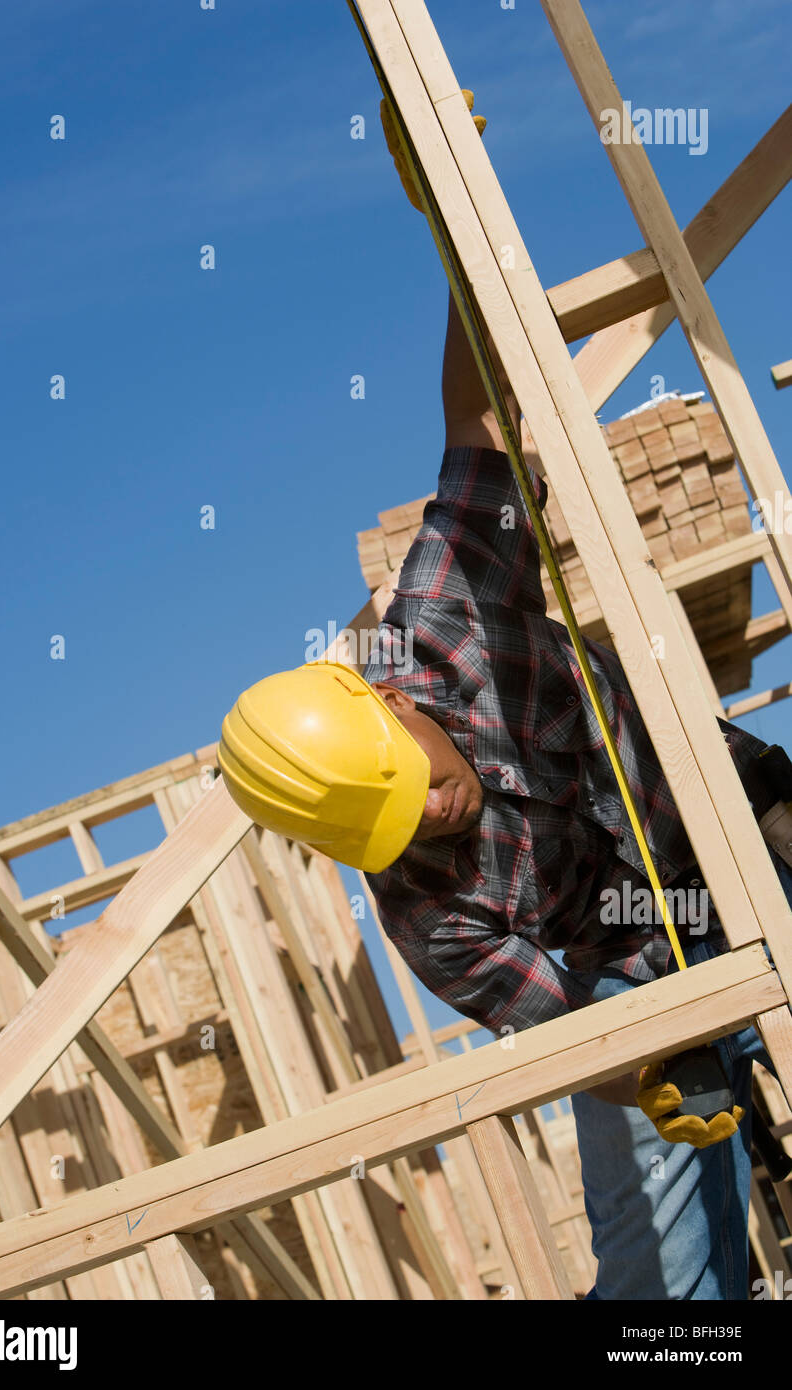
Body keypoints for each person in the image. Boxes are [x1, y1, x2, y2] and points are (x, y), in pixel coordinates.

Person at [218, 95, 792, 1299]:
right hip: (622, 971)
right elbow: (566, 1027)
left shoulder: (442, 617)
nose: (426, 818)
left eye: (411, 785)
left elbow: (477, 412)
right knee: (661, 1286)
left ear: (388, 704)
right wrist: (644, 1062)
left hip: (708, 802)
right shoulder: (426, 915)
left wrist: (453, 224)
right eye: (389, 827)